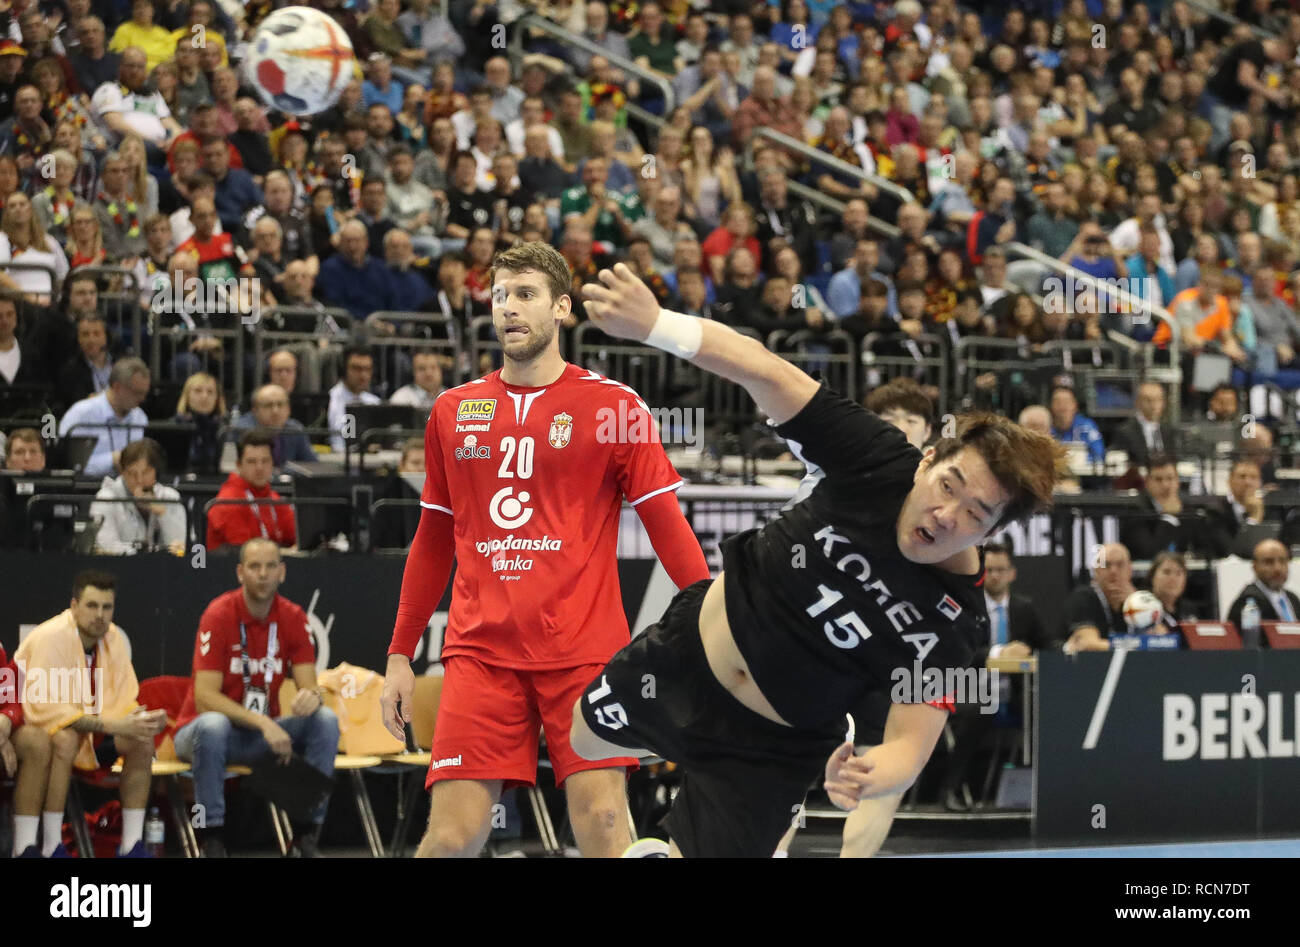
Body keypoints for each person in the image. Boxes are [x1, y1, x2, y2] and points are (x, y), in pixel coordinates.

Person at [567, 263, 1062, 857]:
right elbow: (765, 369)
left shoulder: (960, 623)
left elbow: (911, 745)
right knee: (584, 738)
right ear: (928, 459)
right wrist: (656, 324)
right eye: (949, 485)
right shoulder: (875, 457)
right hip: (684, 658)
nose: (946, 515)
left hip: (773, 750)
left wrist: (875, 773)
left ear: (994, 532)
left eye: (976, 515)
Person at [379, 242, 710, 859]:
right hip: (481, 653)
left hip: (582, 652)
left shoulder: (615, 408)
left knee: (605, 821)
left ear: (562, 307)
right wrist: (400, 655)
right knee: (449, 837)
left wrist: (711, 625)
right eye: (500, 295)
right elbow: (431, 541)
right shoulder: (452, 411)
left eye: (526, 294)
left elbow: (668, 526)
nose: (509, 308)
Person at [173, 538, 338, 857]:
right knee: (213, 725)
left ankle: (305, 836)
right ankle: (212, 839)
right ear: (240, 572)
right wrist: (263, 722)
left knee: (325, 720)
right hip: (200, 734)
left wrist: (312, 697)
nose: (263, 574)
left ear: (282, 572)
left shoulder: (293, 617)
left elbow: (310, 686)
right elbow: (205, 697)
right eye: (254, 566)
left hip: (261, 736)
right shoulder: (219, 614)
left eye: (270, 566)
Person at [15, 571, 167, 857]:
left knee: (141, 739)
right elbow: (45, 711)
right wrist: (115, 723)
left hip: (93, 735)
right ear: (74, 606)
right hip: (39, 734)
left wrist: (142, 720)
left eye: (107, 607)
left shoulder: (113, 639)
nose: (100, 615)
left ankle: (131, 846)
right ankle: (50, 845)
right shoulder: (51, 637)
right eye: (92, 606)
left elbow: (124, 701)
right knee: (65, 737)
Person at [57, 357, 151, 478]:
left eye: (144, 393)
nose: (142, 399)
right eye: (137, 393)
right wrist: (112, 460)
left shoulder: (140, 417)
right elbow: (69, 465)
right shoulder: (81, 414)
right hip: (84, 491)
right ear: (117, 387)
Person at [91, 437, 185, 554]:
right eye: (132, 473)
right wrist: (143, 553)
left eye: (145, 472)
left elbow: (180, 547)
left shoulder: (171, 497)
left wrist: (163, 514)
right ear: (123, 472)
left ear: (156, 471)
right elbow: (106, 546)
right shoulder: (105, 499)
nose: (139, 480)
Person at [205, 430, 297, 551]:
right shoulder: (228, 502)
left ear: (272, 464)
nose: (259, 468)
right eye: (252, 462)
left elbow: (297, 538)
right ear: (239, 465)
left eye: (265, 461)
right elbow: (246, 555)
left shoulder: (275, 499)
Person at [1062, 541, 1136, 652]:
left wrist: (1138, 603)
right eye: (1106, 565)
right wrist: (1138, 646)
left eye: (1120, 565)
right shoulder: (1083, 598)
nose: (1114, 571)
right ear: (1096, 571)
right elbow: (1088, 644)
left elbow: (1161, 640)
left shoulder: (1137, 598)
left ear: (1130, 570)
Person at [1226, 539, 1300, 637]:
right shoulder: (1248, 601)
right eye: (1269, 562)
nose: (1277, 568)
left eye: (1282, 561)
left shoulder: (1292, 598)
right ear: (1255, 567)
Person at [231, 384, 316, 467]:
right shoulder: (243, 431)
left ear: (288, 409)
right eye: (268, 405)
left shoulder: (295, 429)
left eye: (280, 404)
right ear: (255, 410)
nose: (275, 411)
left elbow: (312, 465)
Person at [326, 345, 382, 452]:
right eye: (356, 369)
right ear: (343, 369)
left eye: (367, 369)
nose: (363, 375)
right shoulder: (329, 401)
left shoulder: (375, 403)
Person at [1110, 381, 1175, 470]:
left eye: (1158, 400)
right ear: (1137, 402)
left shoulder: (1169, 431)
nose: (1154, 405)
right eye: (1148, 400)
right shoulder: (1125, 432)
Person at [1048, 384, 1105, 465]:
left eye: (1066, 402)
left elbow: (1099, 455)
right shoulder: (1046, 427)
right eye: (1058, 402)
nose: (1062, 406)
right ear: (1051, 406)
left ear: (1075, 405)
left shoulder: (1087, 427)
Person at [388, 350, 444, 416]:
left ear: (441, 371)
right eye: (422, 369)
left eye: (433, 368)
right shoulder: (401, 398)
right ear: (413, 372)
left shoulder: (451, 397)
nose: (428, 373)